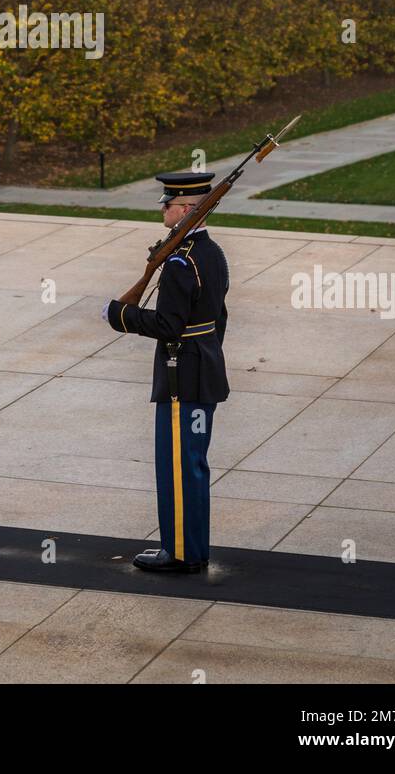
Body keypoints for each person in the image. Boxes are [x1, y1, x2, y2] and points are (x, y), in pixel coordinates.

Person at [102, 171, 230, 574]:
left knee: (177, 466)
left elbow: (169, 325)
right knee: (193, 464)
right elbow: (218, 317)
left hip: (180, 378)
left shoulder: (180, 263)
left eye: (169, 204)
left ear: (189, 210)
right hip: (203, 369)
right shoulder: (211, 254)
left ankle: (178, 553)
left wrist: (121, 316)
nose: (163, 208)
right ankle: (193, 548)